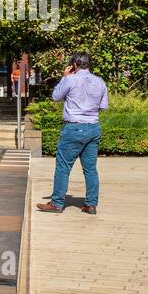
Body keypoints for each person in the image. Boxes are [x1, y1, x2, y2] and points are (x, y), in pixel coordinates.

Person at [37, 52, 108, 215]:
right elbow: (103, 106)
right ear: (89, 64)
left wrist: (65, 77)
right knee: (90, 169)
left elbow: (56, 97)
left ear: (74, 65)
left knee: (63, 167)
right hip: (93, 127)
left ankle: (56, 203)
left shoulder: (70, 79)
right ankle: (90, 205)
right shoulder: (100, 82)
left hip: (74, 128)